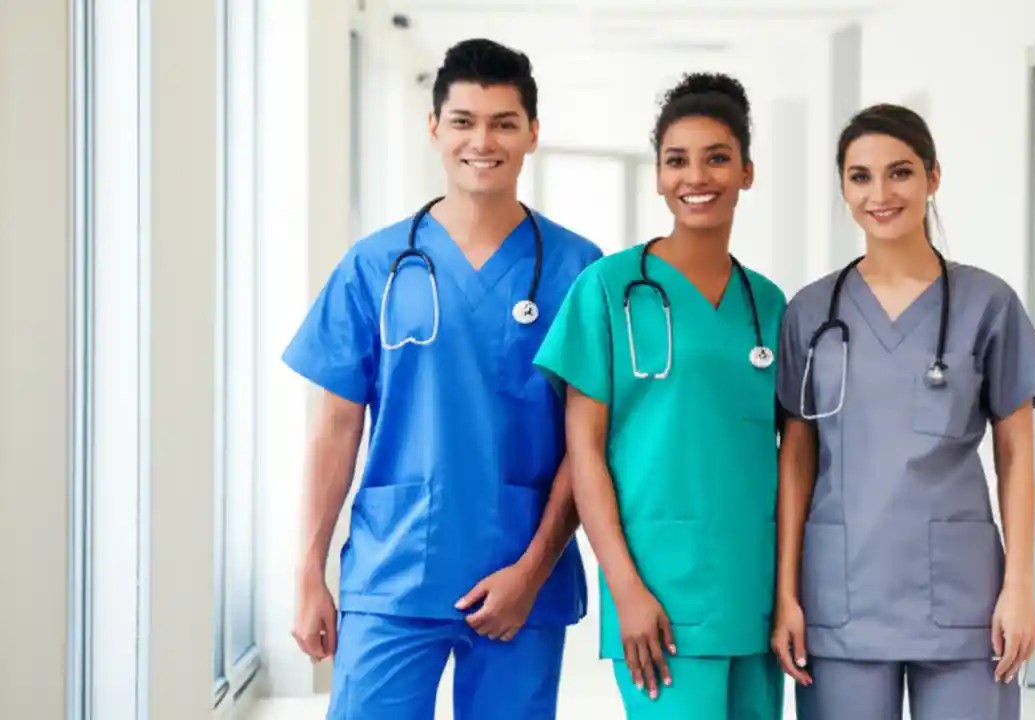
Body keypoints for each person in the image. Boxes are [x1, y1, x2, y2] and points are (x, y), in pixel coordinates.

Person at [282, 38, 599, 720]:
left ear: (532, 134)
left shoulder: (580, 270)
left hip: (521, 577)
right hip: (394, 575)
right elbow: (337, 428)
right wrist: (309, 572)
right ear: (434, 129)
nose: (482, 140)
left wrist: (534, 569)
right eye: (463, 121)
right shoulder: (376, 265)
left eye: (504, 122)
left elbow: (589, 445)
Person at [771, 104, 1035, 720]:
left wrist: (1021, 587)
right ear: (844, 188)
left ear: (933, 178)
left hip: (965, 601)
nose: (880, 194)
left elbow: (1016, 454)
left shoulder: (988, 303)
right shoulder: (810, 310)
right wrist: (786, 593)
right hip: (840, 594)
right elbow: (796, 456)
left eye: (899, 173)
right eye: (860, 177)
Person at [533, 73, 786, 720]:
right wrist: (623, 586)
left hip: (752, 591)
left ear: (747, 172)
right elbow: (584, 451)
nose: (695, 176)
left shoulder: (770, 304)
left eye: (717, 157)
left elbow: (787, 454)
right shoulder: (607, 288)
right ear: (657, 175)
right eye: (677, 160)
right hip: (658, 595)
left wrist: (788, 594)